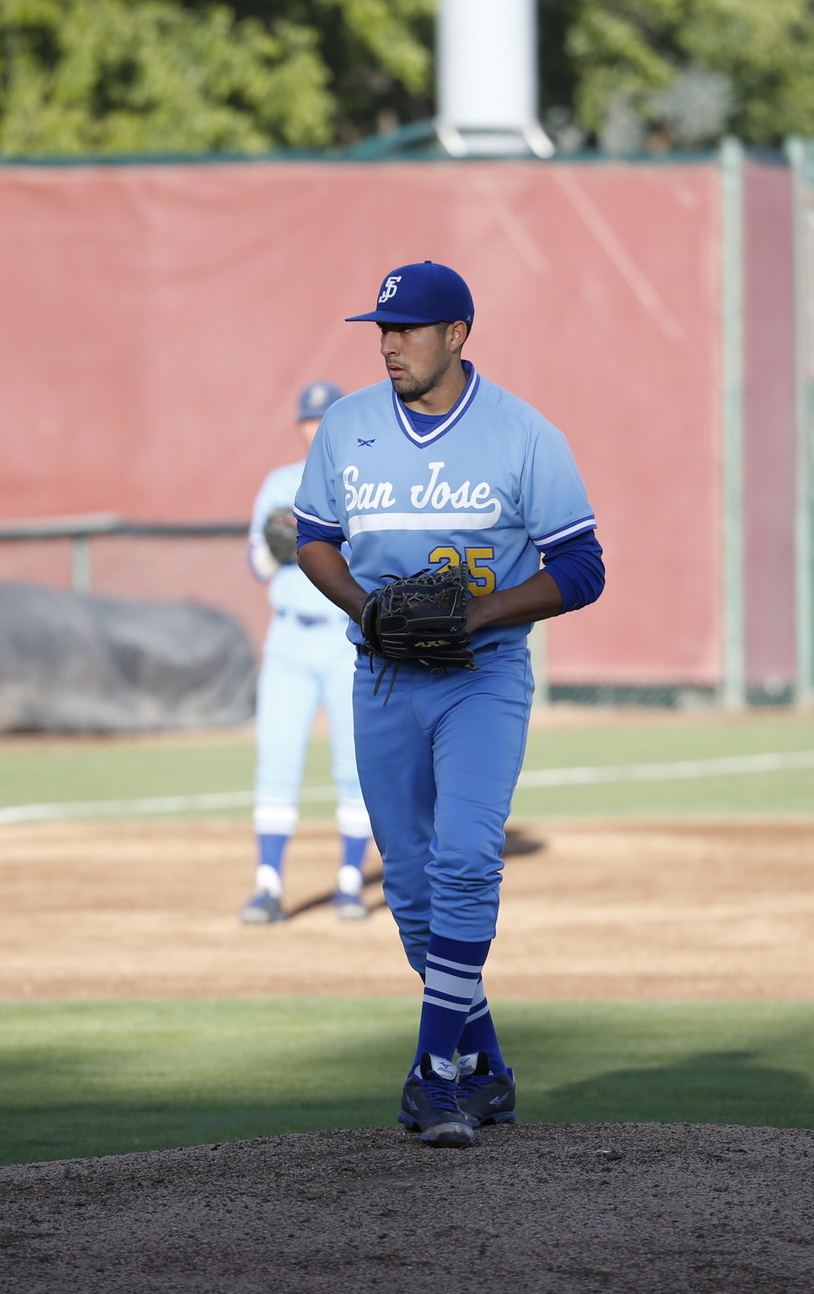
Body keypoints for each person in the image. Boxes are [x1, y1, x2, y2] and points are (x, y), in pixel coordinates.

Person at [292, 262, 606, 1146]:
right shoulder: (349, 426)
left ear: (458, 335)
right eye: (381, 330)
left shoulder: (523, 435)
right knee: (415, 894)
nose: (389, 344)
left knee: (467, 859)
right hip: (384, 675)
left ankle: (435, 1076)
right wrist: (369, 610)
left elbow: (582, 569)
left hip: (483, 672)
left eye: (408, 329)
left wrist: (482, 611)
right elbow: (315, 540)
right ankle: (490, 1071)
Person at [240, 382, 375, 924]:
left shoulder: (363, 484)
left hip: (344, 639)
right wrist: (274, 550)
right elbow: (257, 562)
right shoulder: (279, 483)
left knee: (353, 764)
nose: (314, 428)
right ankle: (268, 885)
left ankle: (349, 883)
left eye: (324, 419)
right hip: (289, 640)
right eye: (308, 419)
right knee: (276, 761)